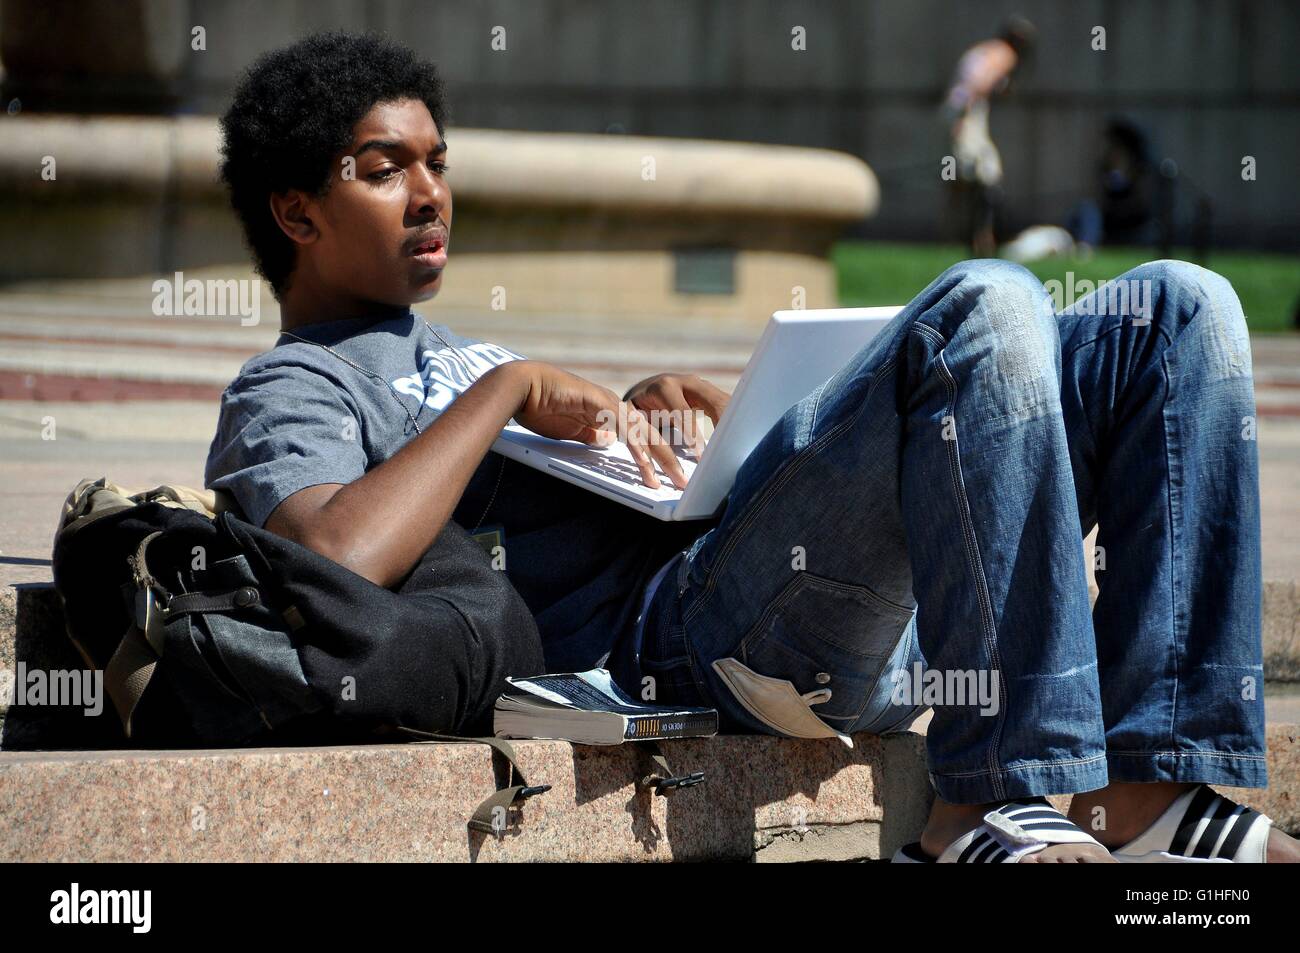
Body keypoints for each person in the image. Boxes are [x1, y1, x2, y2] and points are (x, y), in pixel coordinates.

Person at [206, 32, 1297, 862]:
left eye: (437, 161)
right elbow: (335, 554)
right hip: (697, 646)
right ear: (297, 214)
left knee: (1179, 311)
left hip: (820, 588)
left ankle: (1151, 782)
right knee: (988, 304)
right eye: (384, 167)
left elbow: (552, 492)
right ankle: (984, 797)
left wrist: (692, 421)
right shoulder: (292, 383)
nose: (431, 192)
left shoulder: (451, 345)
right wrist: (509, 388)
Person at [942, 16, 1036, 257]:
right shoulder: (1004, 54)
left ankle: (962, 238)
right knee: (988, 174)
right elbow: (978, 84)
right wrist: (964, 119)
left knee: (964, 179)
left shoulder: (985, 49)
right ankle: (982, 240)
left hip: (956, 110)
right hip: (967, 112)